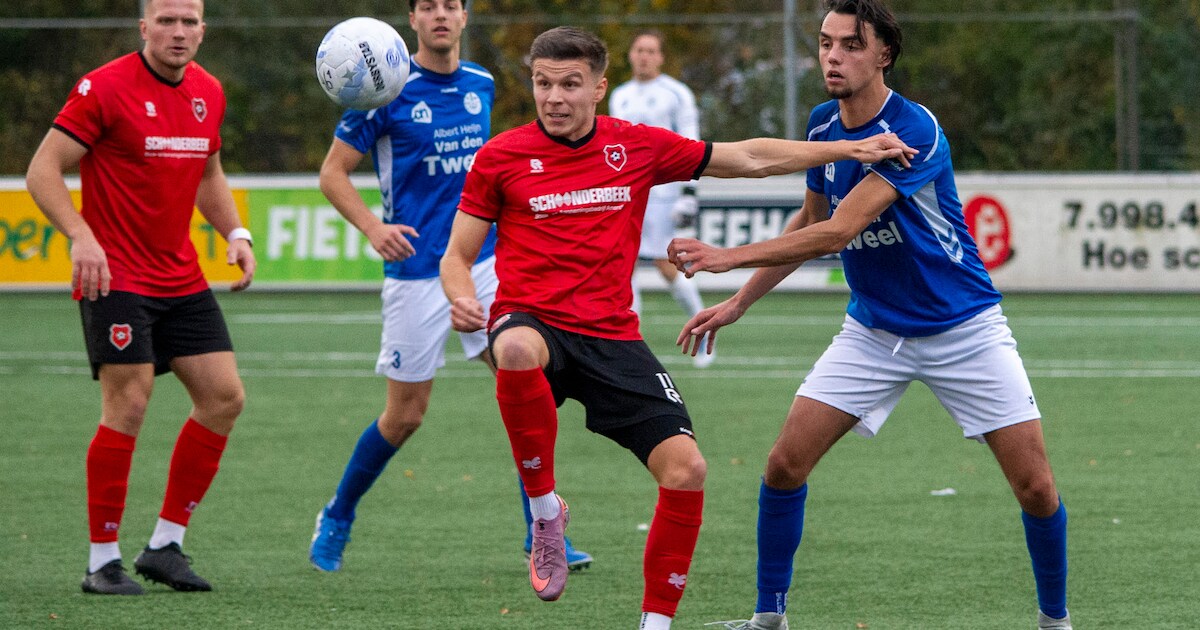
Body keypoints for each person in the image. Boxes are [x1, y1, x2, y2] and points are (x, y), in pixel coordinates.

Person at [439, 25, 915, 630]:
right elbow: (457, 257)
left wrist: (848, 149)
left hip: (612, 335)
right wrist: (461, 297)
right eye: (543, 84)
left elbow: (747, 157)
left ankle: (655, 624)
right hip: (534, 321)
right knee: (512, 349)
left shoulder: (634, 145)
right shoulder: (501, 156)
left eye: (570, 84)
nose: (554, 98)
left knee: (687, 470)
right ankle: (544, 512)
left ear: (598, 88)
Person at [668, 2, 1071, 629]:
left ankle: (1055, 621)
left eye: (850, 45)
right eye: (825, 42)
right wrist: (740, 300)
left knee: (1037, 489)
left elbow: (840, 231)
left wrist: (728, 256)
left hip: (963, 329)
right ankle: (768, 618)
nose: (833, 56)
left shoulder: (914, 128)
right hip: (873, 332)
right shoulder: (824, 125)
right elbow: (810, 221)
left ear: (884, 54)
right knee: (783, 465)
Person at [307, 0, 592, 573]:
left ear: (464, 17)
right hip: (416, 271)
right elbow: (332, 174)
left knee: (527, 388)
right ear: (412, 19)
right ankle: (338, 514)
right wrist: (373, 228)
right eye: (428, 6)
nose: (440, 14)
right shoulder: (386, 88)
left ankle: (541, 529)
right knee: (405, 416)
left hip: (482, 263)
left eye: (450, 5)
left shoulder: (480, 82)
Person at [25, 0, 254, 596]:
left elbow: (208, 173)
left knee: (224, 397)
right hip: (116, 275)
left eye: (189, 21)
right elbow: (43, 170)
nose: (178, 32)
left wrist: (235, 232)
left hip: (180, 275)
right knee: (128, 404)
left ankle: (165, 546)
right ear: (144, 26)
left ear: (203, 29)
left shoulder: (208, 92)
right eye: (167, 20)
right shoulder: (102, 88)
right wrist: (81, 236)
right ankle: (102, 561)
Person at [608, 29, 713, 368]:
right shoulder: (620, 95)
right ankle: (629, 344)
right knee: (623, 267)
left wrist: (689, 193)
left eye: (651, 51)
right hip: (627, 192)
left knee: (666, 265)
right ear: (630, 55)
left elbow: (692, 142)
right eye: (639, 50)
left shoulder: (676, 93)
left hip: (664, 194)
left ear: (661, 57)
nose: (644, 56)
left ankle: (703, 328)